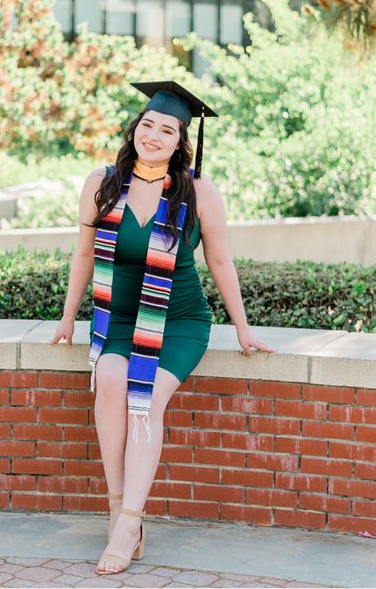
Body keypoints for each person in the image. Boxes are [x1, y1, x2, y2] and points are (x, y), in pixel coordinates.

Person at [49, 80, 276, 575]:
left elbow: (219, 260)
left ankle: (129, 524)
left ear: (180, 142)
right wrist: (68, 316)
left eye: (166, 129)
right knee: (109, 384)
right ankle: (119, 511)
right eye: (147, 124)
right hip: (122, 319)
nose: (153, 135)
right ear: (135, 130)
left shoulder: (198, 192)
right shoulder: (103, 183)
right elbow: (84, 253)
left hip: (179, 321)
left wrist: (243, 328)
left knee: (145, 397)